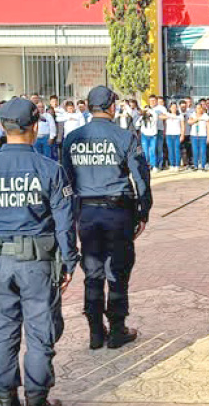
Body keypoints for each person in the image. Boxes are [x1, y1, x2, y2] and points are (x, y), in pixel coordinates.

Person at [0, 97, 79, 406]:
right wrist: (69, 262)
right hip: (38, 265)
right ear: (35, 126)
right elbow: (64, 223)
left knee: (3, 333)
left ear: (3, 126)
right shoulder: (49, 169)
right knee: (40, 335)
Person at [62, 86, 152, 350]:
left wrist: (72, 213)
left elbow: (66, 180)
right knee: (118, 271)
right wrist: (143, 211)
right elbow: (140, 177)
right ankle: (116, 329)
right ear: (112, 106)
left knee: (92, 272)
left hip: (86, 212)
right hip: (117, 211)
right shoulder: (124, 136)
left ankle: (94, 332)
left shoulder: (72, 138)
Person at [188, 104, 209, 170]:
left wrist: (208, 137)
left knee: (203, 151)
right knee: (195, 151)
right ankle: (195, 165)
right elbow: (189, 122)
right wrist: (196, 119)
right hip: (194, 135)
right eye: (197, 108)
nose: (199, 110)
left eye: (200, 108)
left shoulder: (205, 116)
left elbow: (208, 127)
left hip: (203, 136)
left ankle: (202, 165)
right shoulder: (193, 115)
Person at [163, 101, 185, 171]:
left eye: (175, 107)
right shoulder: (167, 114)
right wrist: (169, 116)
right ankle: (172, 165)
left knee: (177, 150)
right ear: (170, 108)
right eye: (172, 107)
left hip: (177, 135)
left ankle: (177, 165)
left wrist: (182, 135)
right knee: (170, 150)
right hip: (169, 135)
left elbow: (182, 126)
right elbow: (161, 117)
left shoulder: (180, 115)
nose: (174, 108)